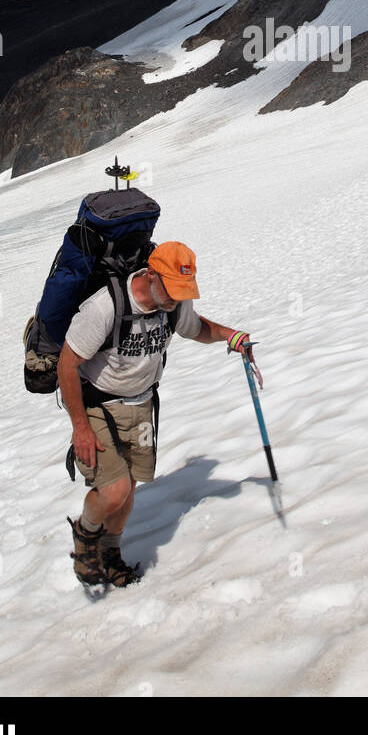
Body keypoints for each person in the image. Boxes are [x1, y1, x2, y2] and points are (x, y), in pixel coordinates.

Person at [58, 240, 251, 588]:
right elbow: (67, 365)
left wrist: (230, 335)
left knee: (129, 489)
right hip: (98, 404)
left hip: (143, 403)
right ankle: (85, 536)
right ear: (150, 274)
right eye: (172, 289)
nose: (177, 298)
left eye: (183, 290)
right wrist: (80, 429)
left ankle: (111, 553)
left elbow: (196, 328)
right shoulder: (105, 307)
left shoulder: (174, 304)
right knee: (114, 491)